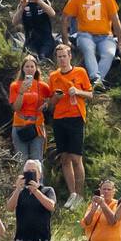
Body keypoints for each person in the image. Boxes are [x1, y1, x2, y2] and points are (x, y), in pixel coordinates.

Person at [46, 42, 91, 209]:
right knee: (64, 158)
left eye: (64, 56)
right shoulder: (53, 76)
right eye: (59, 57)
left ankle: (80, 195)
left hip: (76, 117)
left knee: (76, 158)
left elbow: (90, 94)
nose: (62, 59)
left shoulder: (80, 72)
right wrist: (56, 98)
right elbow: (50, 103)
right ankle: (72, 194)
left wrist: (77, 92)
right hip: (59, 119)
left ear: (70, 56)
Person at [61, 0, 121, 87]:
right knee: (88, 49)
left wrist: (120, 41)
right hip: (85, 35)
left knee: (109, 53)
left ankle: (96, 83)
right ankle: (95, 79)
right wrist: (65, 40)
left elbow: (116, 19)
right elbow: (64, 18)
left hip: (106, 36)